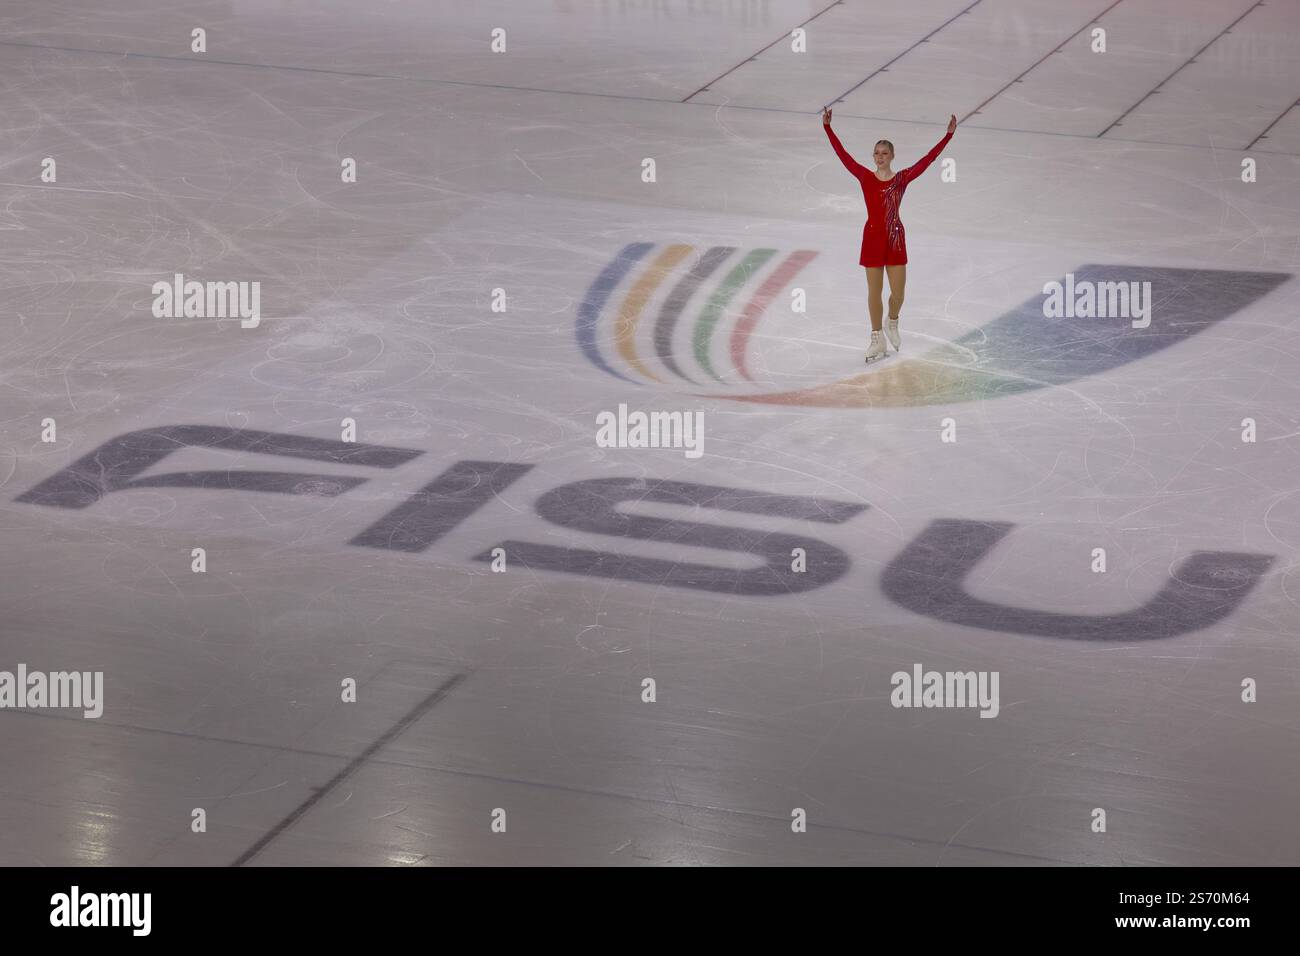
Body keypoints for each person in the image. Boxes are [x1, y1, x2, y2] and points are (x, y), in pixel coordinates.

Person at [822, 107, 956, 361]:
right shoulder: (864, 176)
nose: (880, 156)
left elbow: (927, 160)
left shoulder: (901, 179)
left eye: (884, 153)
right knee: (874, 291)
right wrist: (828, 128)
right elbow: (843, 155)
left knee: (898, 293)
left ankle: (892, 321)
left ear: (892, 155)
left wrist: (947, 136)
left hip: (895, 238)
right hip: (872, 237)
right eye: (876, 153)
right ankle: (876, 338)